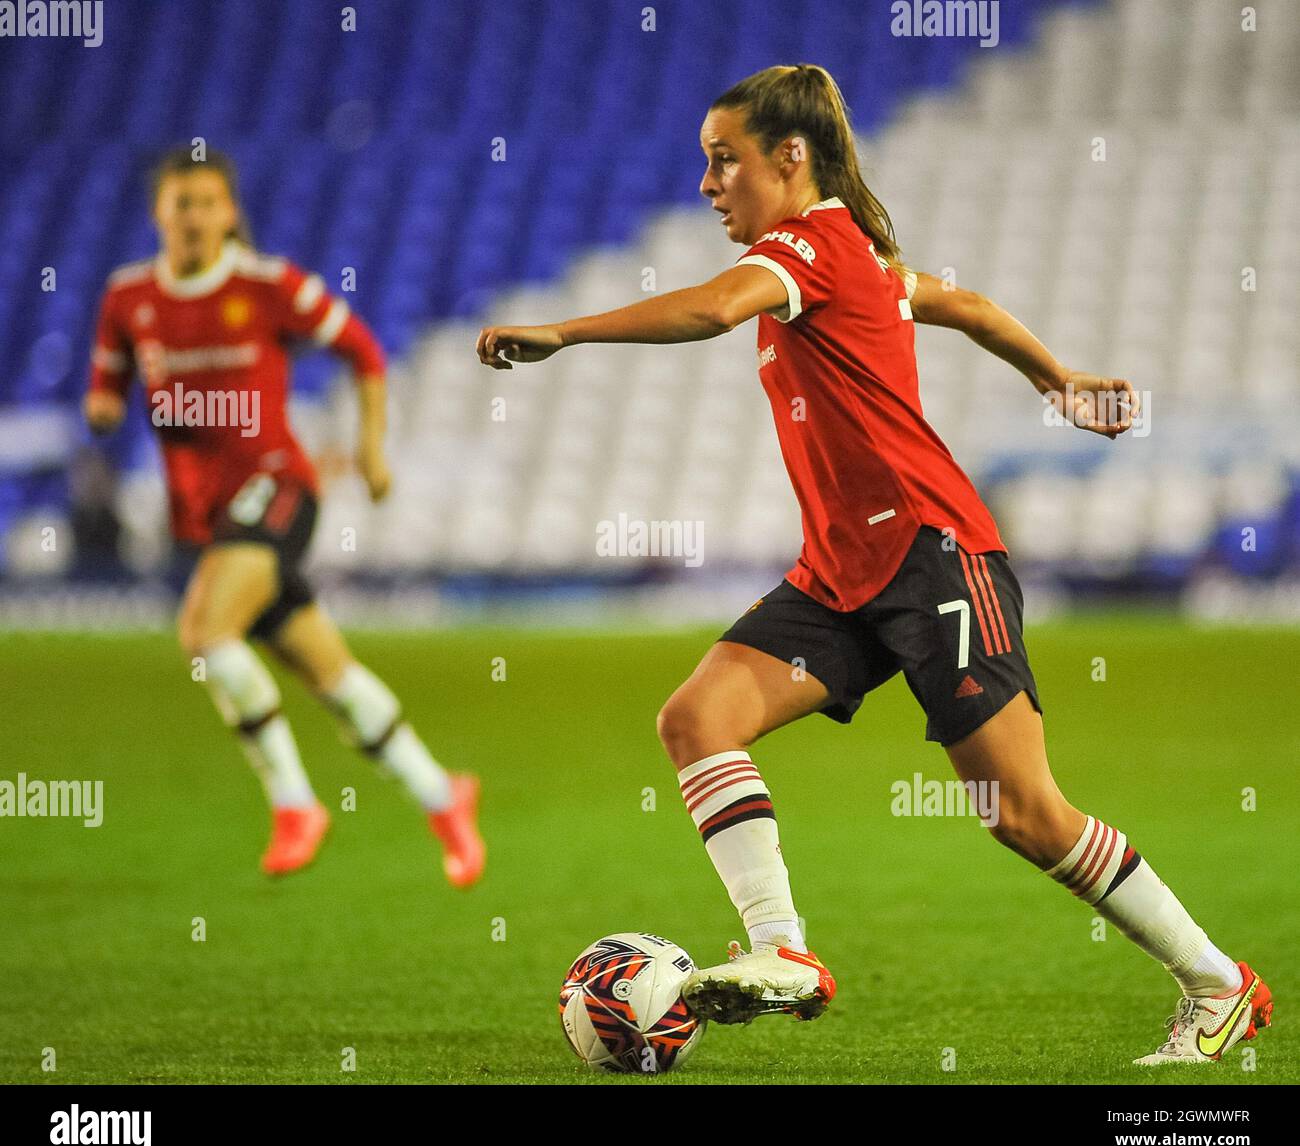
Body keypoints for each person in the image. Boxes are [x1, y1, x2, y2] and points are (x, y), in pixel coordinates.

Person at [476, 65, 1271, 1064]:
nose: (708, 183)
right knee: (697, 718)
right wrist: (1057, 380)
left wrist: (566, 329)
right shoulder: (847, 256)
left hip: (933, 553)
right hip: (842, 572)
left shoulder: (801, 247)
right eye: (704, 163)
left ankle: (1218, 984)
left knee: (1021, 813)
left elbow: (716, 309)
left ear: (788, 158)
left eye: (724, 160)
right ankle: (784, 953)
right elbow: (965, 304)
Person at [85, 147, 484, 886]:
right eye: (182, 204)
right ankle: (442, 794)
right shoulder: (128, 296)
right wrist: (102, 409)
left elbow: (363, 351)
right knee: (326, 671)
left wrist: (370, 450)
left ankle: (296, 803)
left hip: (277, 487)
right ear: (159, 214)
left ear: (230, 211)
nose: (195, 216)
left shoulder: (267, 286)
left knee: (206, 634)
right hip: (204, 515)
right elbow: (106, 377)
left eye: (208, 202)